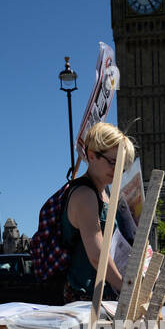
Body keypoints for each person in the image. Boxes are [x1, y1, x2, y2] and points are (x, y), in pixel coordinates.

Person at [61, 121, 136, 302]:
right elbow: (97, 255)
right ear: (92, 155)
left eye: (122, 166)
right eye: (113, 162)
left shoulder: (106, 192)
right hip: (85, 297)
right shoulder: (84, 195)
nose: (117, 170)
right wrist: (127, 290)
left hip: (100, 292)